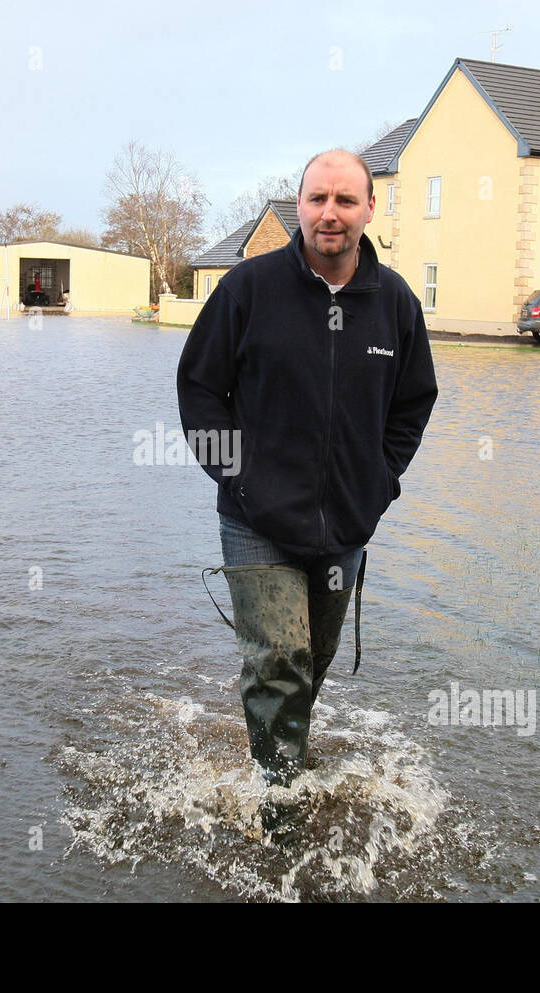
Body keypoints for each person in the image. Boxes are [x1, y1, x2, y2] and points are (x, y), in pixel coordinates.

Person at [176, 149, 438, 830]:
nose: (330, 213)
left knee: (310, 666)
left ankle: (278, 753)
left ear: (370, 210)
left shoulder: (396, 304)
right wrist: (237, 476)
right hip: (254, 518)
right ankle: (281, 811)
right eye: (318, 198)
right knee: (279, 658)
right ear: (299, 205)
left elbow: (414, 403)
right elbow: (201, 389)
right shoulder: (249, 289)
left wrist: (379, 483)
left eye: (346, 200)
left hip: (346, 524)